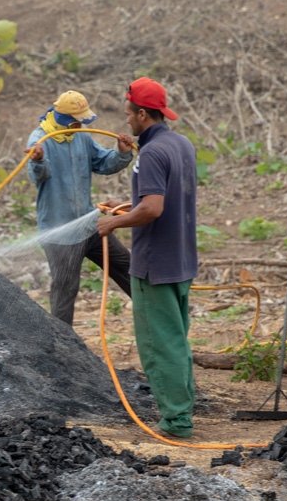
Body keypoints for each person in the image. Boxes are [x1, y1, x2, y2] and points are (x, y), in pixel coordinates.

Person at [96, 78, 198, 438]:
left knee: (160, 344)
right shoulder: (181, 144)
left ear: (142, 113)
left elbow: (153, 208)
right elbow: (162, 199)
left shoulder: (152, 153)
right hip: (182, 259)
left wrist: (114, 223)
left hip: (155, 263)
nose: (126, 121)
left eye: (128, 115)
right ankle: (182, 408)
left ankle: (176, 421)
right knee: (176, 339)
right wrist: (123, 206)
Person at [25, 90, 135, 326]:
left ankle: (156, 318)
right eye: (77, 120)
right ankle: (63, 349)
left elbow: (102, 162)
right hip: (60, 233)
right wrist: (37, 160)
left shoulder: (80, 136)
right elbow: (39, 177)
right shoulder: (40, 140)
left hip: (89, 224)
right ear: (64, 118)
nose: (81, 124)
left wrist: (122, 154)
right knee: (65, 291)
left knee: (129, 269)